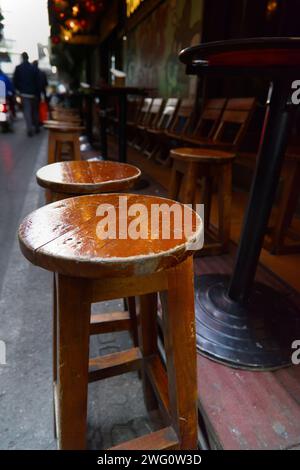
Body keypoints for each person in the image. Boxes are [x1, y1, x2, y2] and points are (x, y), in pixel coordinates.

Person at [13, 52, 39, 136]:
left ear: (22, 58)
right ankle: (36, 127)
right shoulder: (33, 68)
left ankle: (29, 129)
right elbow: (37, 81)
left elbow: (15, 81)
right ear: (28, 58)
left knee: (27, 111)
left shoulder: (18, 68)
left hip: (24, 93)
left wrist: (19, 90)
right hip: (34, 93)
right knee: (35, 110)